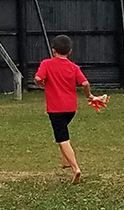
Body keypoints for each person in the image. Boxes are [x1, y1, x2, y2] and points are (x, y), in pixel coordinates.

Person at [34, 35, 95, 184]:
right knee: (63, 132)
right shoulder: (74, 67)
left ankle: (76, 168)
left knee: (62, 138)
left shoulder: (47, 64)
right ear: (70, 51)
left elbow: (37, 78)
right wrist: (89, 96)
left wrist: (40, 84)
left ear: (53, 51)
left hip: (56, 109)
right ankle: (66, 161)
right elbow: (85, 83)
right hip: (71, 108)